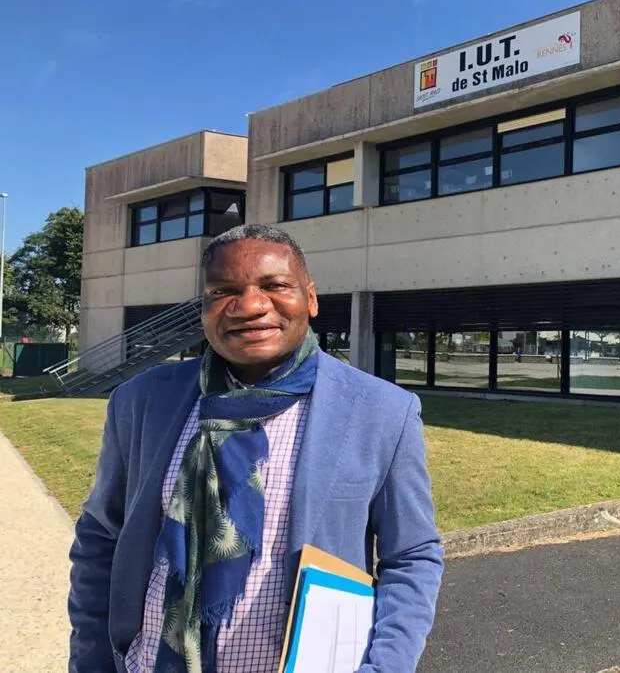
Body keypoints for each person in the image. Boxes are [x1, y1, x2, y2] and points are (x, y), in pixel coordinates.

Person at [68, 224, 443, 673]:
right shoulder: (141, 401)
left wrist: (384, 666)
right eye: (224, 290)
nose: (249, 306)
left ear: (311, 297)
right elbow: (100, 538)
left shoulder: (382, 411)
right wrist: (89, 661)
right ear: (204, 307)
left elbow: (412, 556)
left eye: (274, 285)